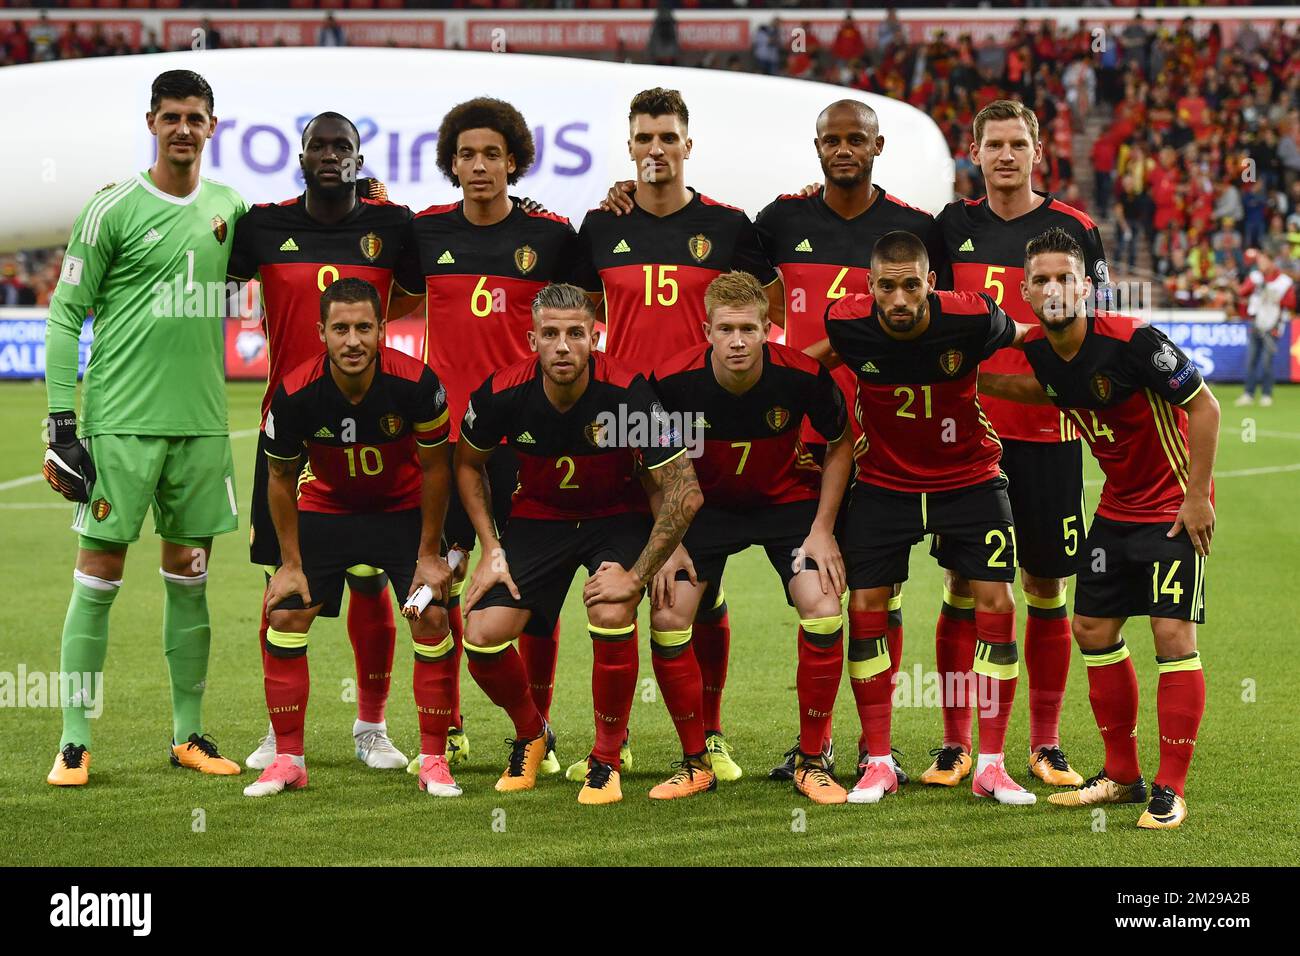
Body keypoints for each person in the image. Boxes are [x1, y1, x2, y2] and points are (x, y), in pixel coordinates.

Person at [42, 70, 247, 785]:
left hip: (200, 430)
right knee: (97, 577)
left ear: (212, 127)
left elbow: (294, 253)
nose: (183, 129)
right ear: (152, 123)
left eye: (195, 117)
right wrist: (62, 424)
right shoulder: (113, 209)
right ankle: (73, 740)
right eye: (171, 117)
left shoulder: (231, 208)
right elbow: (66, 313)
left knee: (190, 582)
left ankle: (188, 734)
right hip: (121, 427)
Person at [978, 226, 1218, 829]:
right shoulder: (1038, 352)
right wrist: (965, 378)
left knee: (1172, 637)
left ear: (1086, 285)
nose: (1054, 288)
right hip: (1116, 508)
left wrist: (1196, 500)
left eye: (1065, 277)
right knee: (1091, 628)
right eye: (1042, 280)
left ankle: (1170, 788)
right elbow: (1040, 390)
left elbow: (1205, 407)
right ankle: (1121, 776)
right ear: (1026, 293)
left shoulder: (1136, 340)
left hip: (1169, 508)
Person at [580, 87, 783, 782]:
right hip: (625, 424)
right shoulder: (599, 227)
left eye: (668, 137)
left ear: (688, 145)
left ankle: (711, 736)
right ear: (629, 146)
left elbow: (766, 306)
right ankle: (616, 740)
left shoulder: (728, 228)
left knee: (698, 587)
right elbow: (575, 321)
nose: (656, 149)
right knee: (622, 582)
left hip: (702, 427)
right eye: (644, 138)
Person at [810, 230, 1039, 807]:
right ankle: (880, 762)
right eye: (887, 287)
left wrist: (1104, 351)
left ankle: (991, 763)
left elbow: (1030, 336)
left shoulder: (972, 317)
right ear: (870, 288)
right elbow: (814, 362)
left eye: (912, 285)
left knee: (997, 603)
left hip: (970, 480)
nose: (900, 299)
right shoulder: (847, 321)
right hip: (885, 484)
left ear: (930, 283)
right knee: (864, 606)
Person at [454, 284, 702, 805]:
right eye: (550, 334)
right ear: (532, 339)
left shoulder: (628, 390)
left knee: (612, 611)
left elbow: (684, 488)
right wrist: (489, 548)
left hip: (615, 516)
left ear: (595, 336)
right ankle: (532, 735)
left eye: (574, 334)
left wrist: (637, 574)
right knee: (480, 634)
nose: (563, 346)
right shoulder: (501, 392)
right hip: (538, 519)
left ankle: (606, 758)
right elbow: (467, 463)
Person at [227, 112, 420, 773]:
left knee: (371, 582)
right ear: (301, 155)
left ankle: (372, 727)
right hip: (288, 428)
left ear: (360, 157)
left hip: (380, 429)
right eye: (320, 145)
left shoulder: (394, 228)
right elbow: (202, 262)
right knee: (283, 584)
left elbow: (436, 283)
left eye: (343, 146)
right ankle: (279, 734)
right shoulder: (262, 225)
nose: (331, 154)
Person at [393, 97, 580, 775]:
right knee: (437, 585)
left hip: (525, 446)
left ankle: (538, 730)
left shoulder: (554, 238)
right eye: (467, 154)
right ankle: (448, 732)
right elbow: (392, 298)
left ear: (514, 161)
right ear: (451, 162)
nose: (479, 166)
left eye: (492, 154)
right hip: (446, 445)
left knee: (532, 593)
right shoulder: (424, 234)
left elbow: (587, 313)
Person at [755, 98, 939, 784]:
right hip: (804, 439)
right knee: (824, 597)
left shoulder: (917, 229)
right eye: (830, 139)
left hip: (883, 440)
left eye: (854, 139)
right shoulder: (781, 220)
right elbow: (739, 290)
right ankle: (820, 746)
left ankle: (876, 748)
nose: (842, 149)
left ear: (877, 145)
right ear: (816, 147)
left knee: (877, 596)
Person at [929, 100, 1110, 790]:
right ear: (974, 152)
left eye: (1017, 144)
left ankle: (1045, 742)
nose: (1005, 156)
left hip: (1048, 437)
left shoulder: (1075, 228)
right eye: (993, 144)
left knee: (1044, 584)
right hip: (968, 440)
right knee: (964, 586)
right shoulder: (952, 229)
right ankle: (954, 743)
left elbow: (1094, 327)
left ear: (1038, 151)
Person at [245, 278, 457, 798]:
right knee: (285, 610)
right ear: (321, 332)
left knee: (432, 614)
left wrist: (431, 553)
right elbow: (278, 478)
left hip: (401, 511)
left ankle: (434, 758)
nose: (353, 340)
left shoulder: (416, 384)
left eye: (364, 327)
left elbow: (437, 468)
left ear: (383, 329)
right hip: (328, 508)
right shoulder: (294, 394)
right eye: (341, 329)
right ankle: (288, 758)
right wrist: (290, 564)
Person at [650, 271, 852, 802]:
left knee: (824, 603)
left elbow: (839, 442)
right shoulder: (669, 383)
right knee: (669, 613)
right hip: (705, 512)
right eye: (726, 329)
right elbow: (647, 464)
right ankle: (695, 761)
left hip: (784, 506)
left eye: (748, 328)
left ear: (769, 329)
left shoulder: (803, 376)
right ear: (706, 331)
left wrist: (823, 530)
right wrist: (670, 543)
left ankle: (813, 760)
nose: (737, 341)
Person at [1235, 248, 1294, 407]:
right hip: (1256, 323)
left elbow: (1291, 303)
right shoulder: (1256, 277)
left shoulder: (1284, 281)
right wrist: (1256, 285)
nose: (1260, 263)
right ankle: (1249, 394)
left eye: (1263, 260)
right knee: (1251, 361)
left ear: (1272, 262)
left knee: (1267, 362)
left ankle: (1266, 394)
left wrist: (1273, 295)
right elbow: (1242, 292)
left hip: (1273, 325)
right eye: (1259, 261)